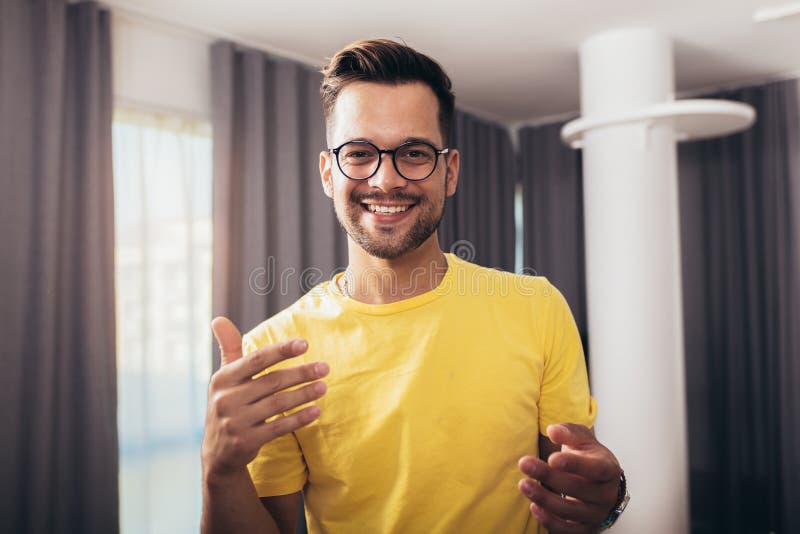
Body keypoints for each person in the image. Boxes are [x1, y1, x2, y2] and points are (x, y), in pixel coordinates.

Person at [201, 39, 629, 534]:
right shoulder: (272, 355)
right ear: (327, 172)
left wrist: (607, 499)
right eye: (359, 153)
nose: (386, 179)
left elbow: (572, 498)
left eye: (414, 152)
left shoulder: (538, 309)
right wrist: (219, 472)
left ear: (449, 171)